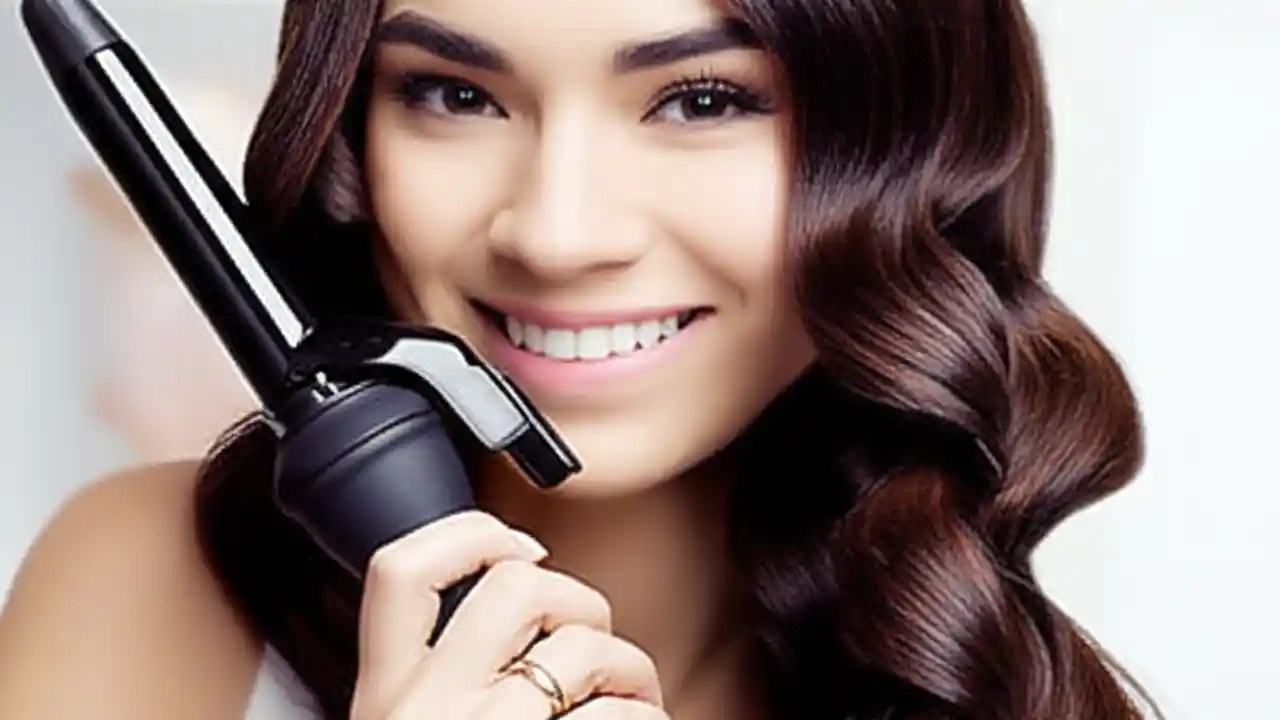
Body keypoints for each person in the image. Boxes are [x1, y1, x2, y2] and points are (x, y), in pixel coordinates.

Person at [0, 1, 1160, 718]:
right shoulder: (159, 583)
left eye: (700, 101)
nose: (555, 234)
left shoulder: (1009, 689)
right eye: (454, 94)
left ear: (913, 149)